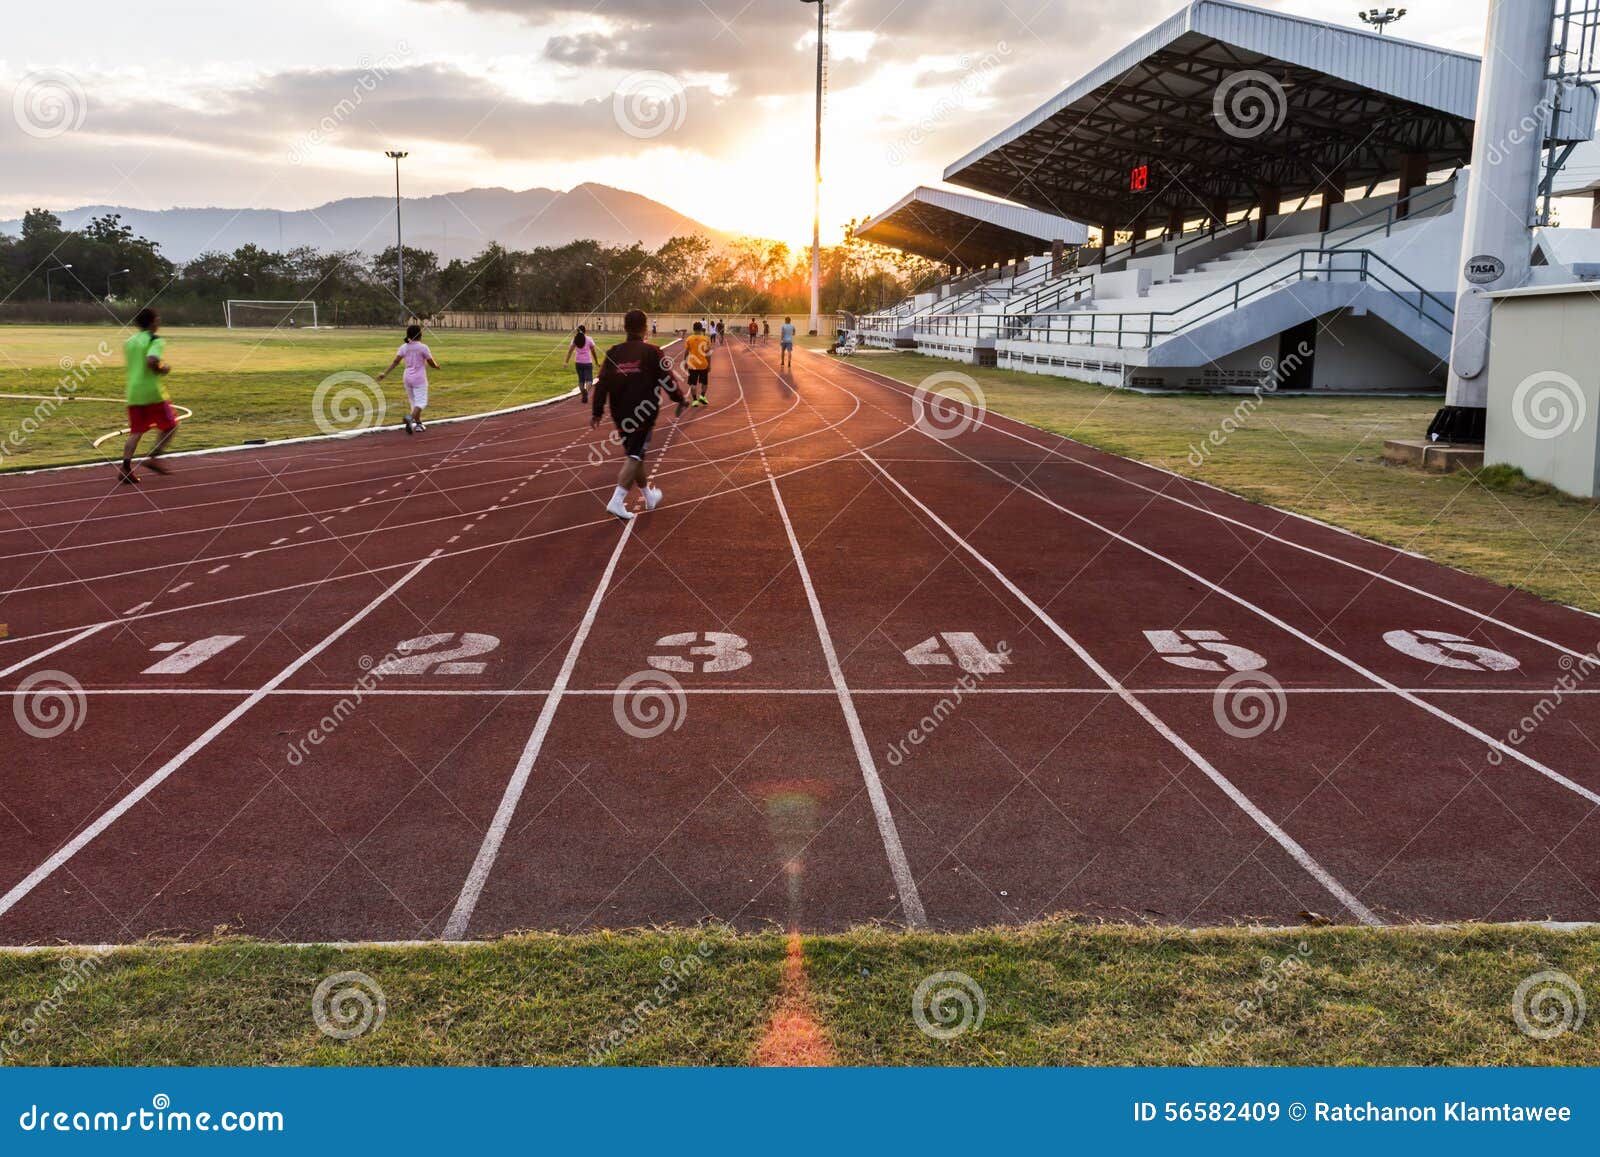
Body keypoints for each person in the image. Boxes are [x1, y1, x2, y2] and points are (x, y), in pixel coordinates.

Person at [591, 309, 688, 522]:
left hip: (620, 414)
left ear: (625, 328)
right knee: (635, 455)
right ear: (645, 328)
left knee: (635, 455)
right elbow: (667, 379)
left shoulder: (613, 353)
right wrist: (680, 398)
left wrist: (597, 411)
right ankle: (617, 500)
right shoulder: (652, 352)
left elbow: (602, 384)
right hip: (643, 414)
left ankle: (648, 496)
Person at [120, 308, 178, 484]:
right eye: (157, 319)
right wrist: (163, 368)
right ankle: (153, 457)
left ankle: (125, 468)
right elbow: (151, 361)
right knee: (171, 425)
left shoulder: (129, 341)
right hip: (152, 392)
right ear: (152, 322)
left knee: (136, 430)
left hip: (133, 392)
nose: (159, 322)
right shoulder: (155, 340)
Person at [377, 323, 440, 434]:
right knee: (421, 402)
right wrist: (436, 366)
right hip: (419, 378)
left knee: (413, 402)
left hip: (407, 377)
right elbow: (430, 362)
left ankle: (419, 424)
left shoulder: (404, 347)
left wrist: (385, 373)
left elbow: (396, 361)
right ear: (420, 335)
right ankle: (410, 418)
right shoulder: (423, 347)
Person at [562, 325, 599, 404]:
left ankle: (583, 392)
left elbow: (570, 351)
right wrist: (596, 361)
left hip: (578, 362)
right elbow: (593, 351)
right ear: (585, 331)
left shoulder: (574, 339)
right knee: (589, 379)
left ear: (577, 331)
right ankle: (586, 391)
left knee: (581, 379)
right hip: (587, 362)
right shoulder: (589, 339)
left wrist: (566, 362)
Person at [685, 320, 712, 407]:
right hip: (703, 364)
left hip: (692, 365)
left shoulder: (689, 339)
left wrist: (685, 362)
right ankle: (702, 396)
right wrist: (709, 364)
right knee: (704, 383)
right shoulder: (706, 339)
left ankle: (695, 400)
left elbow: (686, 352)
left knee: (693, 383)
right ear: (701, 329)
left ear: (693, 329)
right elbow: (708, 353)